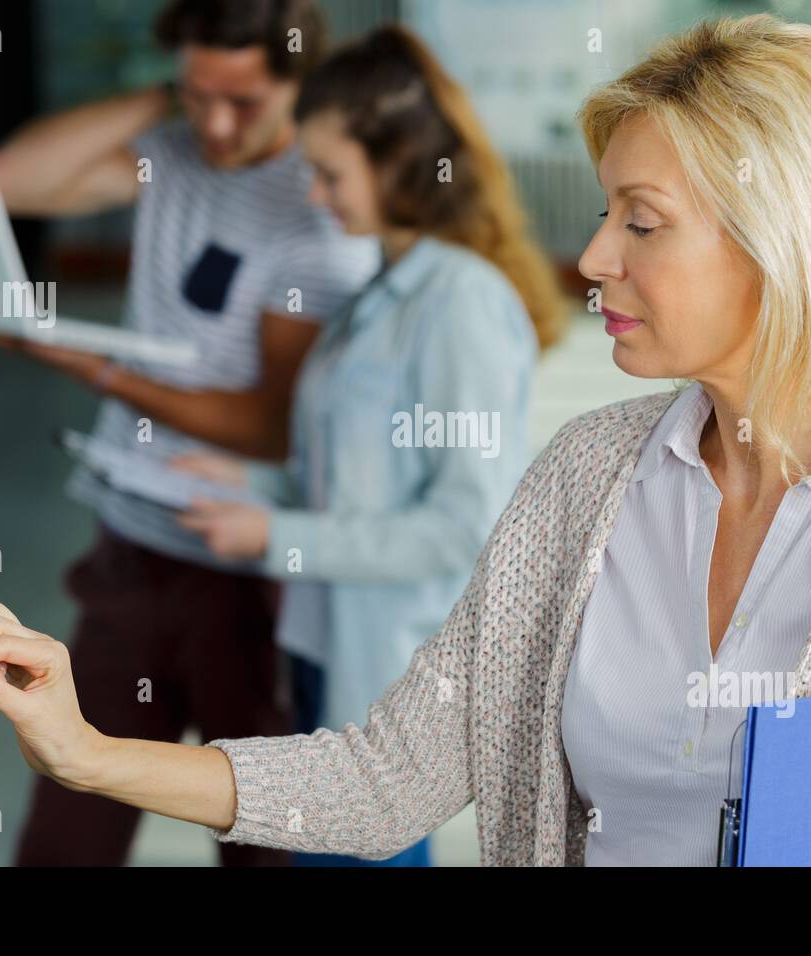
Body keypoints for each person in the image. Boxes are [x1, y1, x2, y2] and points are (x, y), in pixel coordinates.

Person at [0, 14, 811, 866]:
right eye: (605, 214)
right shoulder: (588, 477)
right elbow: (386, 775)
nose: (593, 258)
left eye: (640, 222)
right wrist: (88, 750)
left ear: (782, 246)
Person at [0, 0, 380, 866]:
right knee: (66, 825)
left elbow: (268, 427)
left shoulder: (322, 210)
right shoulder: (173, 153)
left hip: (249, 568)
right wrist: (171, 97)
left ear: (299, 83)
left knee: (261, 829)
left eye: (244, 100)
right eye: (199, 96)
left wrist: (91, 367)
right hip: (132, 541)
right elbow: (3, 179)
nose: (219, 124)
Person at [169, 26, 565, 866]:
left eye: (329, 172)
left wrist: (274, 538)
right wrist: (251, 482)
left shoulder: (460, 305)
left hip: (387, 682)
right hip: (323, 652)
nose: (313, 195)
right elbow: (354, 483)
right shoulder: (377, 291)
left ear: (399, 163)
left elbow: (462, 529)